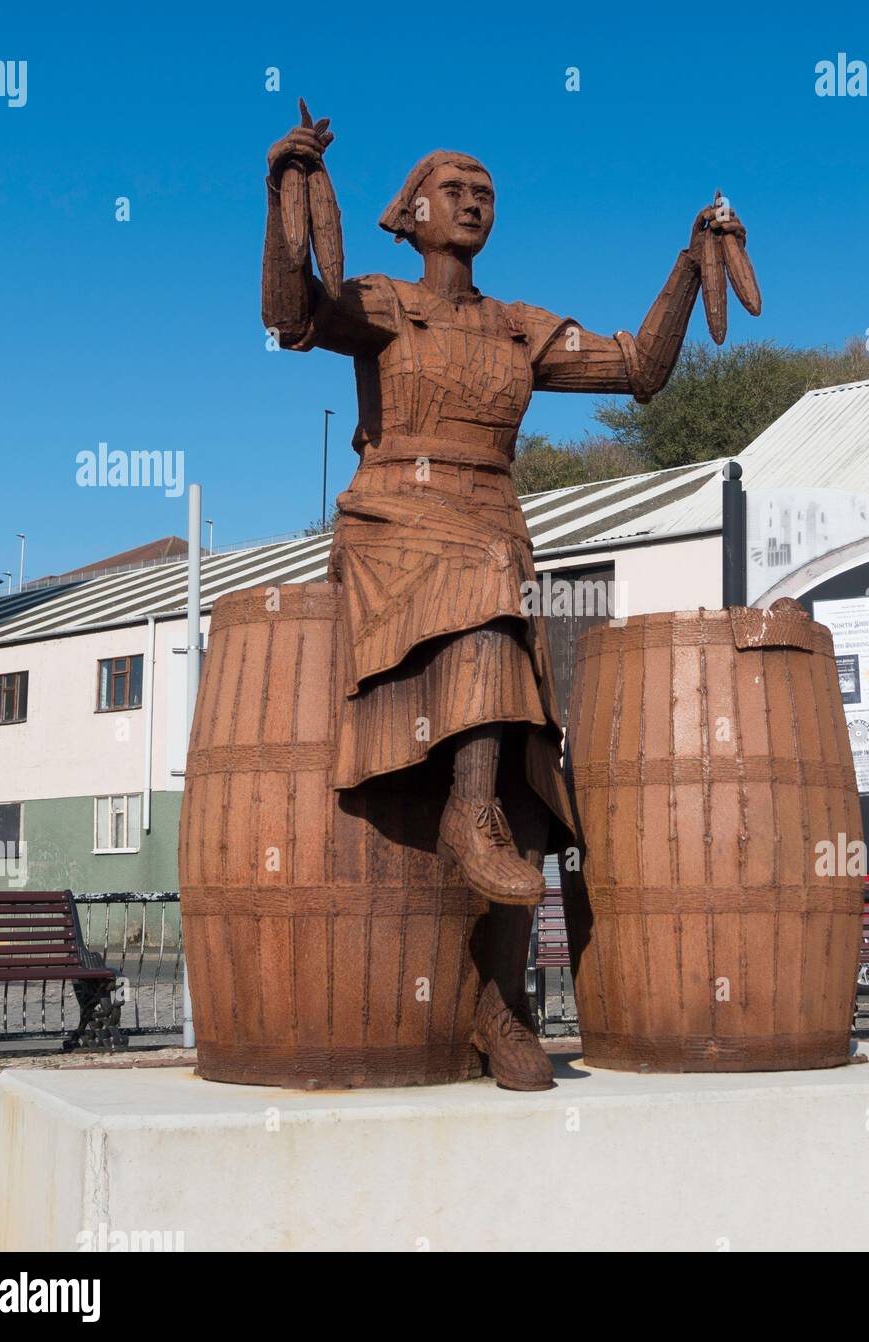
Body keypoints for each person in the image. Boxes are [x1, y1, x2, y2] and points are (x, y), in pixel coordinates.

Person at [262, 107, 749, 1090]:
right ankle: (464, 813)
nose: (476, 202)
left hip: (492, 524)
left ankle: (502, 1004)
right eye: (458, 189)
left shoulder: (518, 325)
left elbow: (639, 371)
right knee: (492, 590)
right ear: (414, 210)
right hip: (398, 518)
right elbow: (292, 312)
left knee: (536, 778)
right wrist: (284, 192)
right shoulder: (384, 303)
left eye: (488, 193)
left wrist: (685, 263)